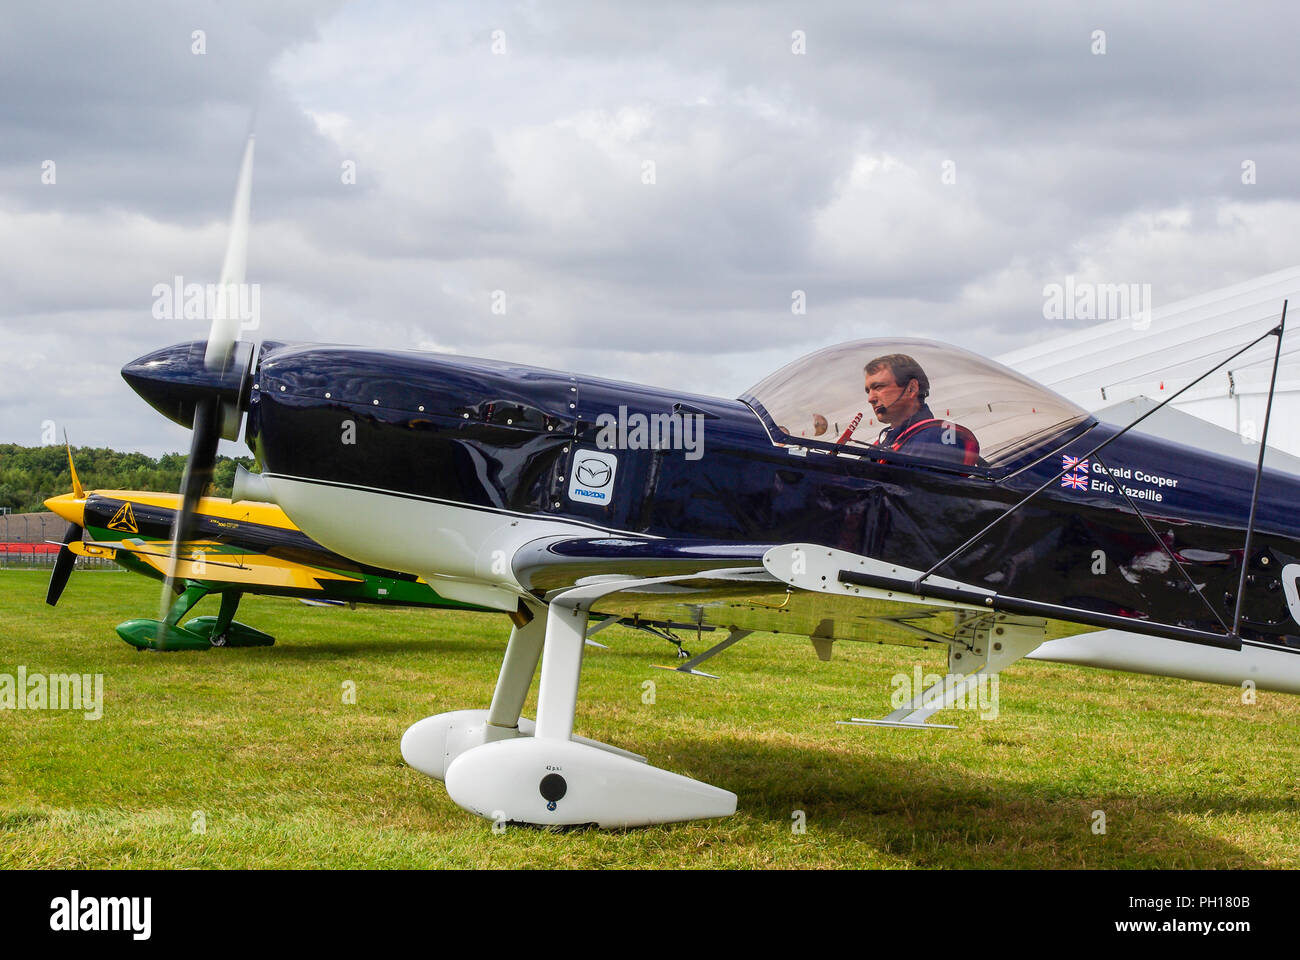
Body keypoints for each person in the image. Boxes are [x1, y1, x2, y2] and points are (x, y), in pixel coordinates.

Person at [860, 353, 979, 465]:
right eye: (868, 391)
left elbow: (909, 485)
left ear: (911, 388)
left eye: (878, 387)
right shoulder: (884, 442)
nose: (870, 399)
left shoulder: (937, 437)